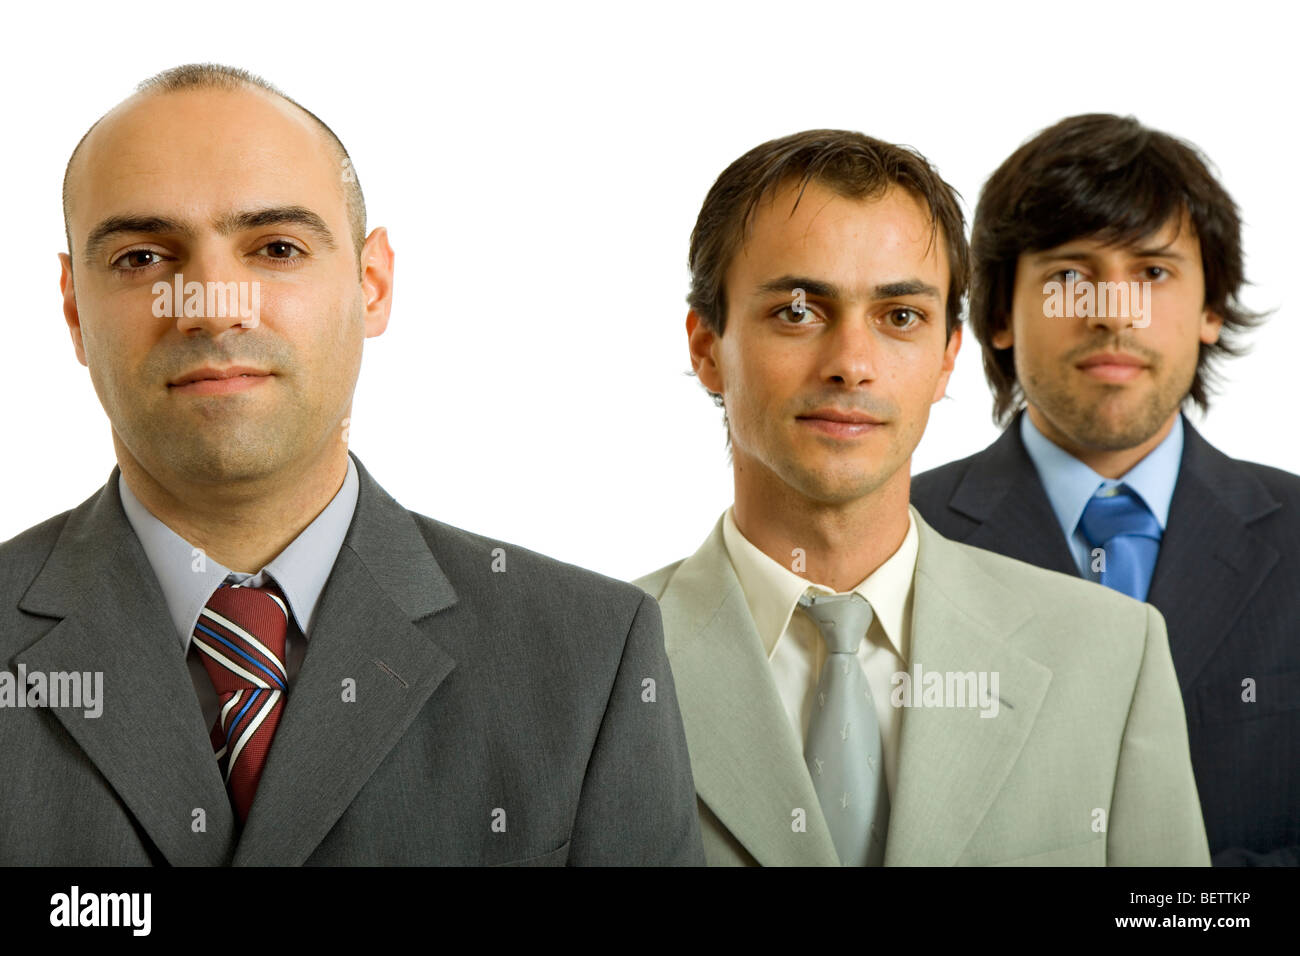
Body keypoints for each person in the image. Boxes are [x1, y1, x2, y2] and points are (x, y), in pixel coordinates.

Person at [0, 63, 703, 866]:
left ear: (371, 284)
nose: (210, 305)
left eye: (275, 247)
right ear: (72, 311)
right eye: (140, 258)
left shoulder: (589, 658)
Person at [634, 129, 1209, 866]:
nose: (852, 364)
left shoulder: (1113, 656)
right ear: (707, 349)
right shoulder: (597, 672)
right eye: (798, 311)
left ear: (946, 360)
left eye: (899, 316)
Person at [911, 114, 1300, 866]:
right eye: (1068, 277)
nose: (1113, 313)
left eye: (1153, 274)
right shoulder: (896, 539)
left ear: (1211, 310)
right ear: (999, 315)